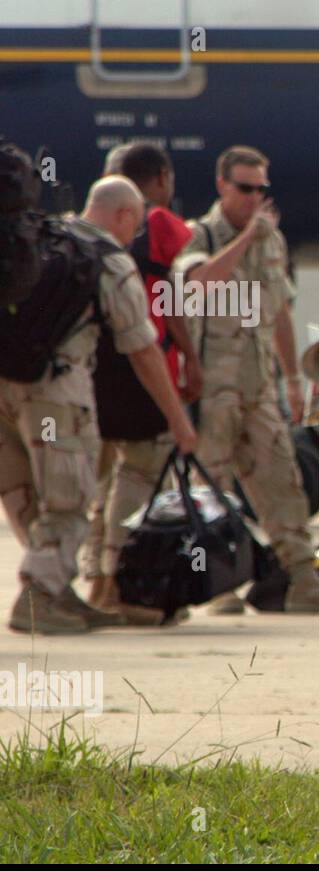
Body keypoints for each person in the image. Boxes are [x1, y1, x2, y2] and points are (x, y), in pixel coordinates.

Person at [2, 175, 197, 634]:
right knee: (70, 497)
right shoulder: (107, 258)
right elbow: (143, 349)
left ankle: (57, 589)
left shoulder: (40, 237)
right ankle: (41, 596)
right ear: (125, 215)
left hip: (5, 388)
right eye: (137, 225)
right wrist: (178, 420)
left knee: (22, 494)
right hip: (54, 390)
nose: (136, 236)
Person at [175, 145, 319, 615]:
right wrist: (247, 239)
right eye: (245, 188)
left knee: (282, 480)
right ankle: (217, 589)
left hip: (258, 387)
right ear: (223, 186)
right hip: (213, 390)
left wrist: (294, 380)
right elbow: (198, 283)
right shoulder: (202, 234)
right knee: (209, 490)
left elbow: (280, 310)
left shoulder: (272, 242)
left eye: (261, 189)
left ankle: (302, 578)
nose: (254, 197)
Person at [83, 142, 201, 623]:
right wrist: (191, 358)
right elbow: (171, 298)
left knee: (102, 484)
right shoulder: (162, 225)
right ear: (160, 181)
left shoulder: (79, 230)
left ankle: (95, 582)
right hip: (141, 372)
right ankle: (120, 583)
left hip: (92, 375)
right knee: (138, 477)